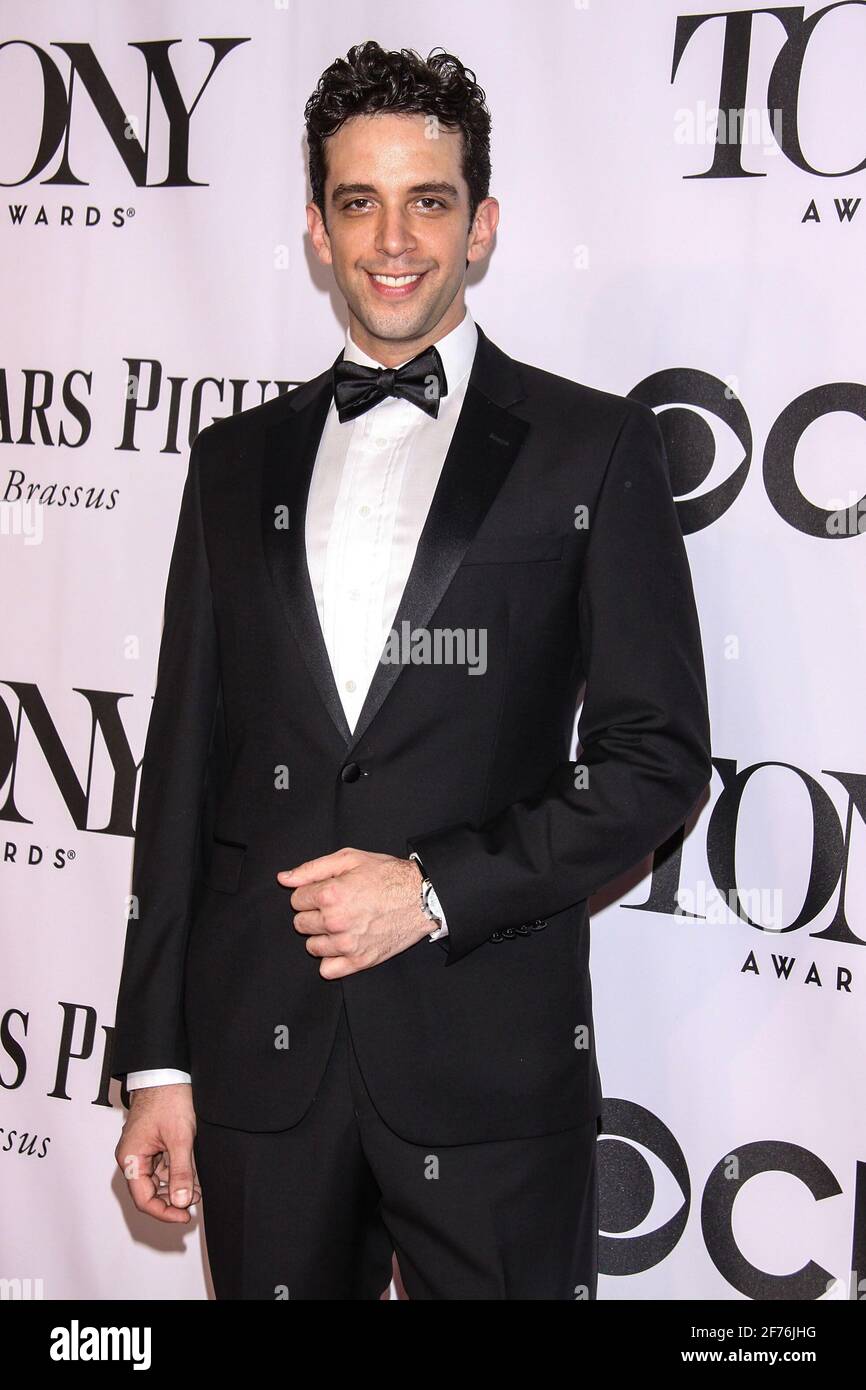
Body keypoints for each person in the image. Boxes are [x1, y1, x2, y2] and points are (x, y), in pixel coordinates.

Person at [111, 40, 711, 1300]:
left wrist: (433, 890)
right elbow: (179, 777)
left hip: (486, 1065)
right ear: (317, 230)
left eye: (427, 200)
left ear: (479, 224)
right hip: (262, 1072)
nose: (392, 239)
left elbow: (653, 761)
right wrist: (158, 1060)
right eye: (358, 201)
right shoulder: (231, 464)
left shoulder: (593, 448)